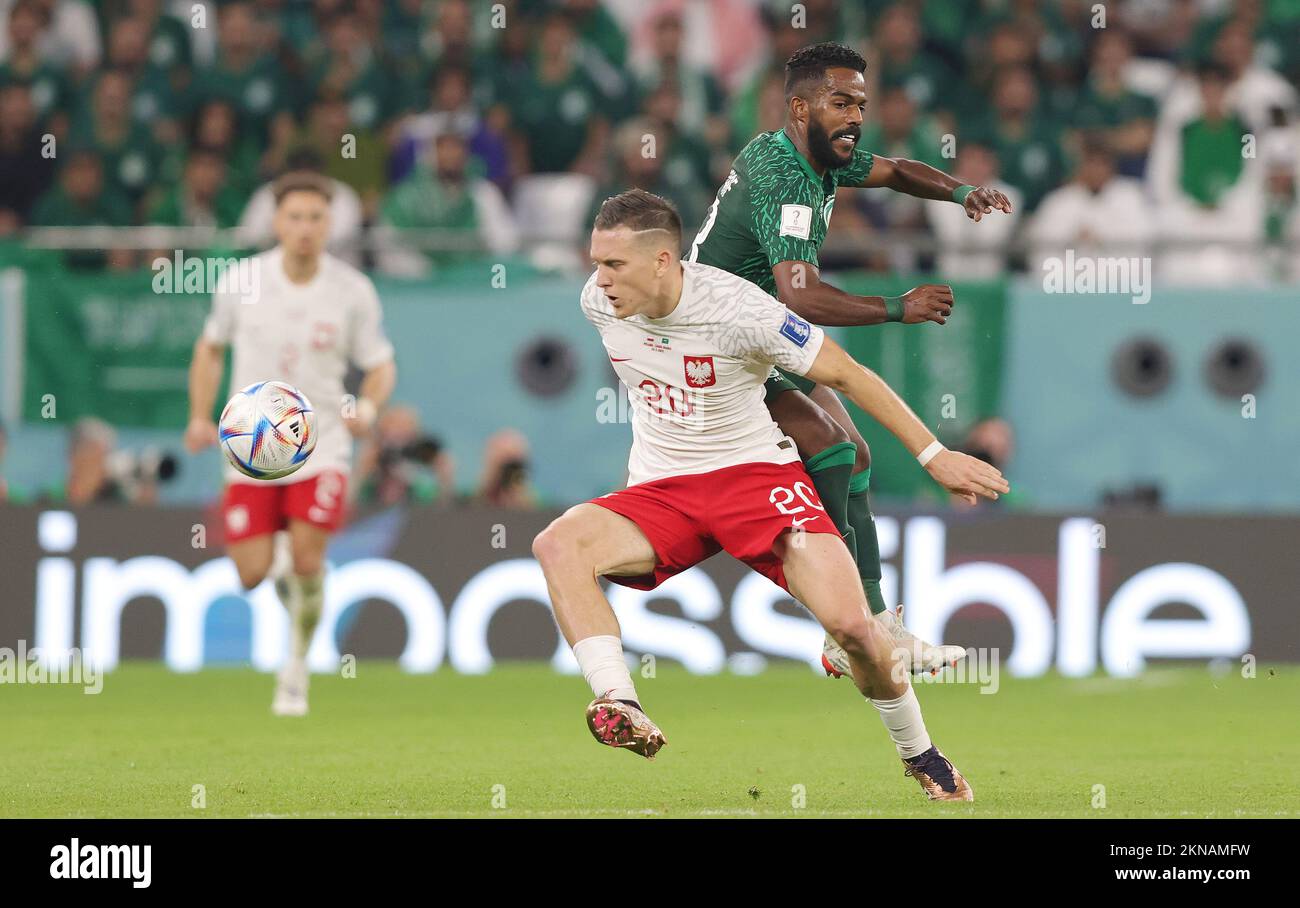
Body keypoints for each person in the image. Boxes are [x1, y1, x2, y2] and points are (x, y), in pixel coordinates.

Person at [534, 189, 1008, 800]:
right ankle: (619, 701)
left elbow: (847, 374)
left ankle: (921, 754)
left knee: (855, 632)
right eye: (595, 262)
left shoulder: (740, 310)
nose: (599, 280)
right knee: (558, 545)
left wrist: (934, 455)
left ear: (662, 261)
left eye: (614, 265)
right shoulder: (598, 303)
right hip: (663, 489)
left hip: (756, 479)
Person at [688, 42, 1012, 676]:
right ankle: (847, 627)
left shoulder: (818, 155)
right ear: (800, 106)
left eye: (860, 103)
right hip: (717, 340)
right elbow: (801, 295)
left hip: (756, 331)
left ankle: (875, 624)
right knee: (833, 451)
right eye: (841, 103)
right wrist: (900, 307)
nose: (855, 116)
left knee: (855, 456)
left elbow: (893, 170)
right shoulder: (786, 178)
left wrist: (960, 191)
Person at [184, 170, 396, 717]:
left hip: (320, 445)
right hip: (249, 449)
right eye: (295, 217)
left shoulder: (352, 290)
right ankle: (296, 577)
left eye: (316, 218)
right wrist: (199, 416)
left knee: (305, 558)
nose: (305, 228)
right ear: (277, 222)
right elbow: (210, 349)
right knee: (253, 573)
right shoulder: (241, 281)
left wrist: (367, 407)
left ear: (330, 224)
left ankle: (296, 667)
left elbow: (379, 365)